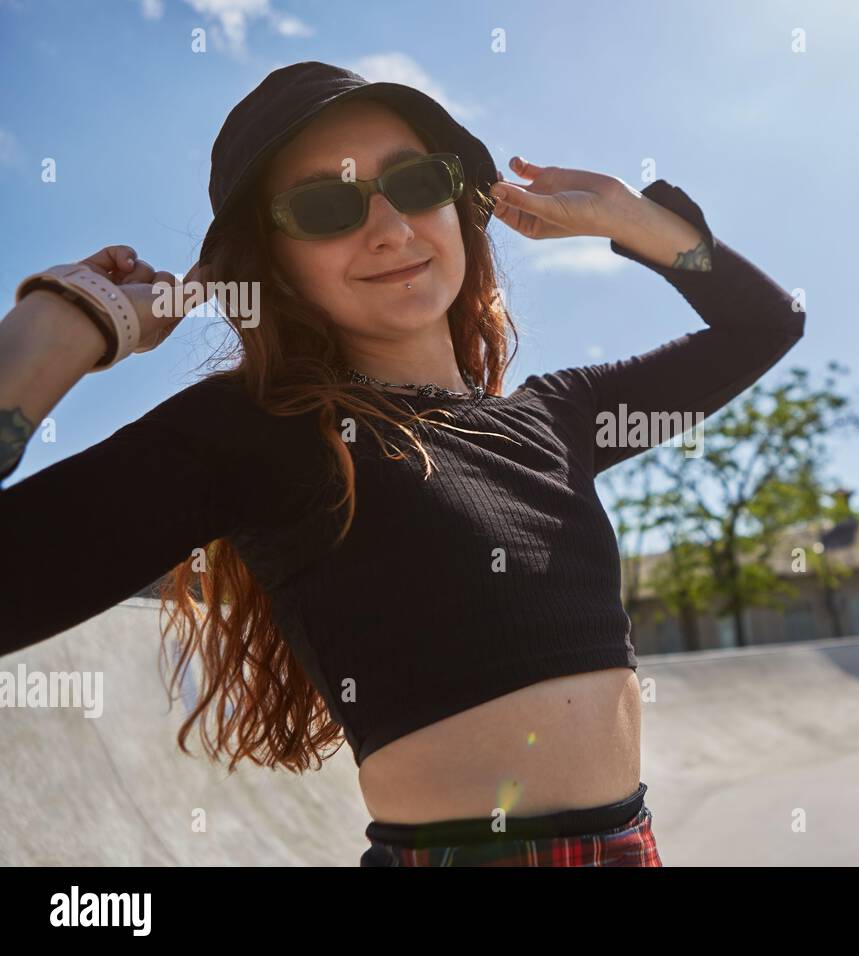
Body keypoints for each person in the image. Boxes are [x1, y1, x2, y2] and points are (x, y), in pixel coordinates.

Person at [0, 61, 806, 866]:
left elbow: (766, 324)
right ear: (270, 263)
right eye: (326, 205)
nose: (390, 228)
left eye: (418, 183)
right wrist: (75, 323)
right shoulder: (261, 430)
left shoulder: (556, 417)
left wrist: (628, 220)